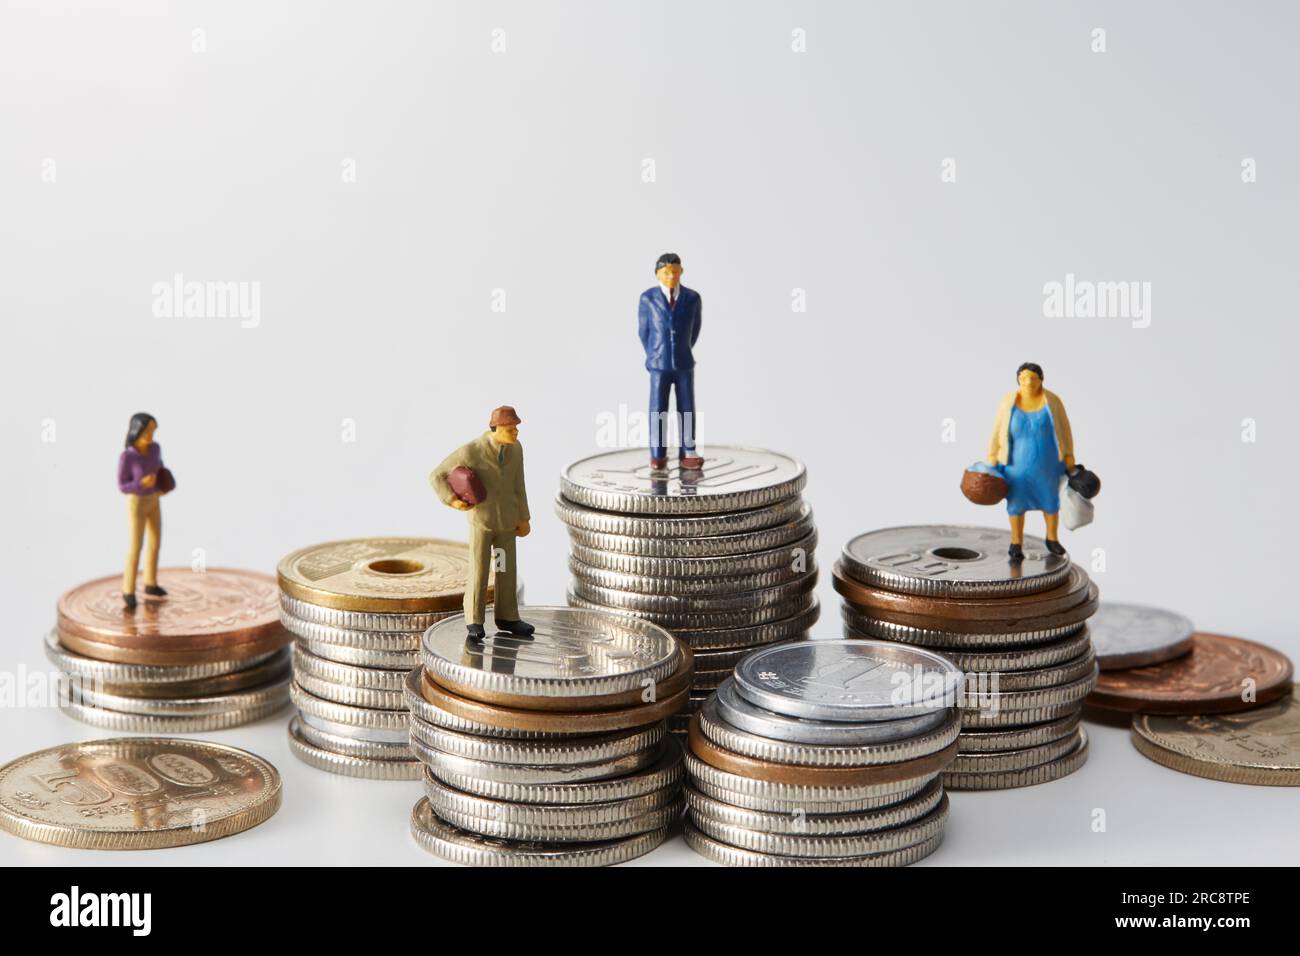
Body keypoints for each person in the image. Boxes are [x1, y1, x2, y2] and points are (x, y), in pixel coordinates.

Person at [429, 406, 532, 643]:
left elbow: (520, 485)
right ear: (496, 428)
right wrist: (452, 500)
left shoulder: (516, 450)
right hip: (482, 525)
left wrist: (524, 517)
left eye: (515, 427)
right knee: (479, 570)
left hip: (506, 525)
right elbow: (437, 475)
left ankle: (507, 616)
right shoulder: (472, 451)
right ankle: (474, 619)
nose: (515, 432)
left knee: (505, 569)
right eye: (510, 428)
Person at [986, 363, 1076, 560]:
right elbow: (997, 429)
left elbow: (1064, 430)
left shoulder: (1052, 401)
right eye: (1024, 377)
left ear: (1041, 380)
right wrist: (992, 456)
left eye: (1033, 378)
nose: (1028, 382)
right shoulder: (1008, 402)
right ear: (1018, 379)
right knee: (1016, 504)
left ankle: (1052, 538)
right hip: (1015, 468)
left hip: (1048, 466)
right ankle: (1016, 542)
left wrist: (1069, 457)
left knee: (1050, 502)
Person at [638, 252, 703, 470]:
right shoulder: (648, 298)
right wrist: (654, 354)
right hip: (659, 364)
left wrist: (683, 349)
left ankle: (689, 451)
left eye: (675, 272)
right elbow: (644, 331)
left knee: (687, 409)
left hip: (684, 363)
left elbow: (694, 330)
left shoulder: (692, 298)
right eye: (666, 273)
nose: (671, 277)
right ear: (658, 274)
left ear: (681, 272)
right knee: (657, 410)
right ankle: (657, 454)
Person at [118, 412, 172, 609]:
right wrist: (140, 483)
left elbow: (160, 467)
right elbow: (122, 485)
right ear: (136, 431)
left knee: (155, 542)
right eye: (148, 431)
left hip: (154, 500)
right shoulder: (128, 457)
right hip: (137, 503)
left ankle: (150, 583)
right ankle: (128, 590)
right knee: (136, 546)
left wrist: (161, 485)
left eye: (153, 431)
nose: (151, 436)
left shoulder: (155, 449)